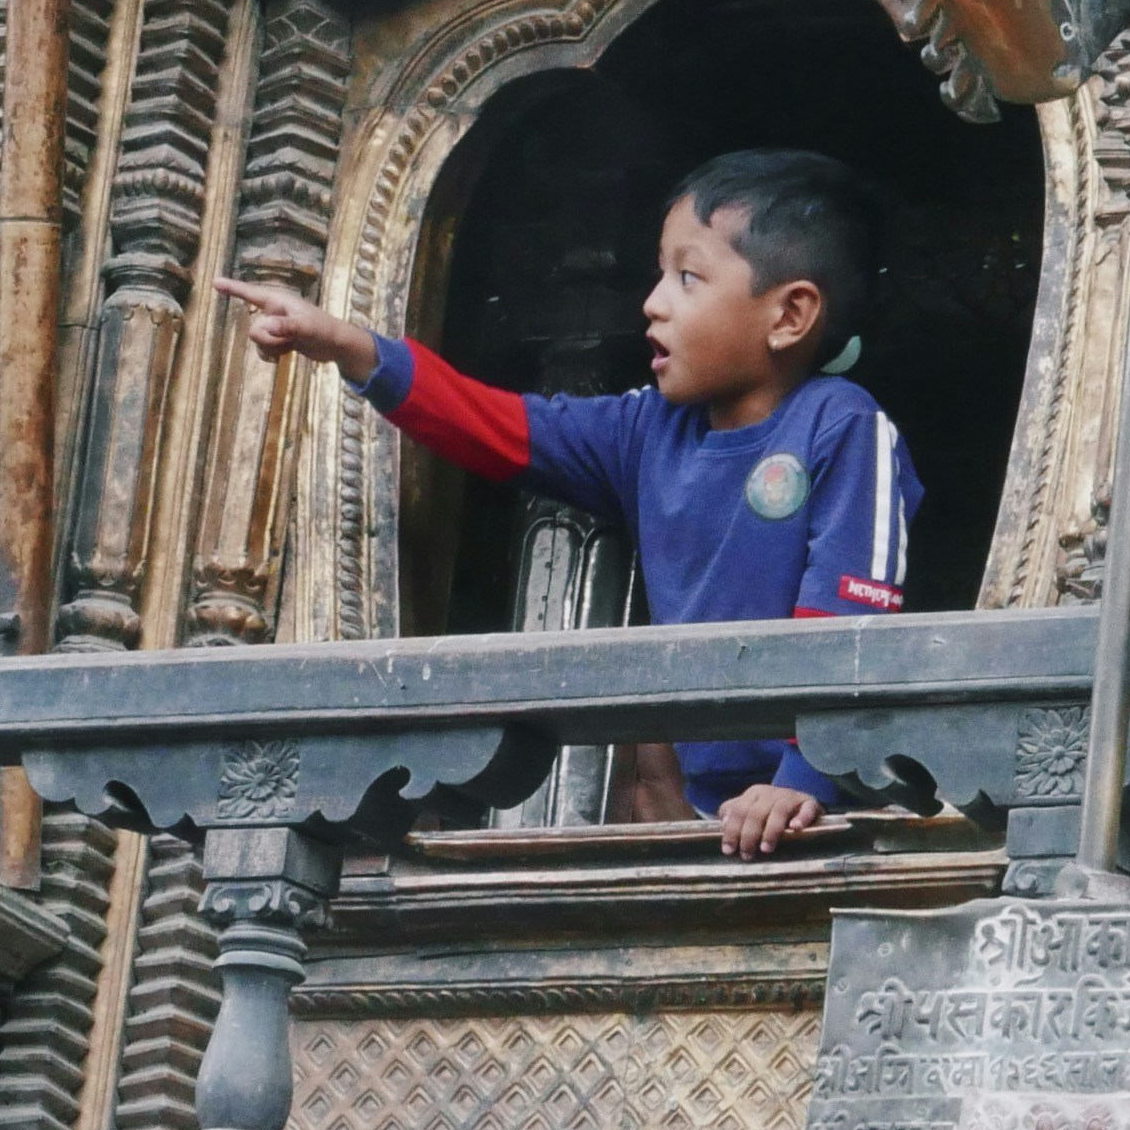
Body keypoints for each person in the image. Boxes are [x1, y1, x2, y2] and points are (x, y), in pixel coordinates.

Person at [213, 147, 919, 859]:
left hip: (834, 804)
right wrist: (348, 347)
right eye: (661, 274)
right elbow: (500, 428)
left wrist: (805, 777)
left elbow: (853, 617)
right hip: (716, 812)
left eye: (688, 276)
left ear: (790, 314)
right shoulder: (648, 429)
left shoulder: (844, 424)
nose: (654, 302)